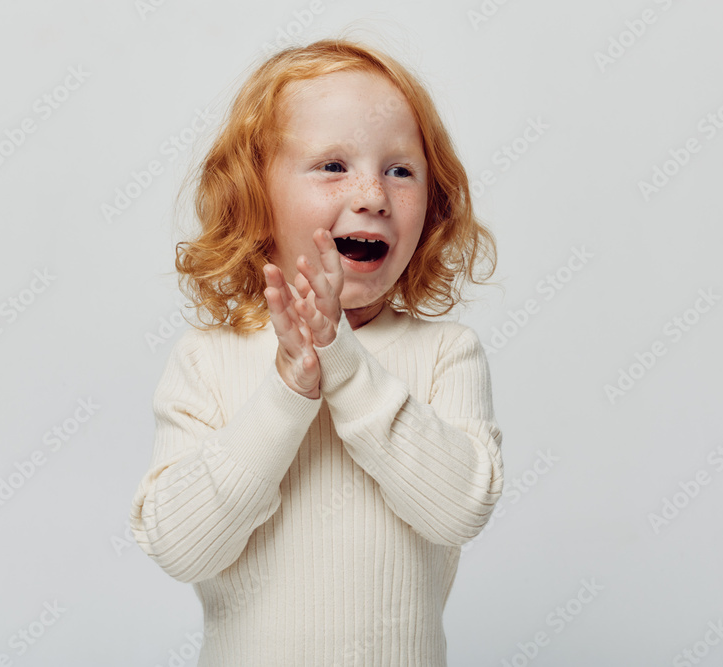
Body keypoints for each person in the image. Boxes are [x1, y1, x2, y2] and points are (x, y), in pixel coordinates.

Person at [128, 36, 504, 666]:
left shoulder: (447, 352)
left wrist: (344, 364)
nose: (373, 195)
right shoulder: (208, 360)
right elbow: (179, 547)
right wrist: (286, 394)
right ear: (257, 200)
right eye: (333, 166)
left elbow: (461, 509)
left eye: (400, 169)